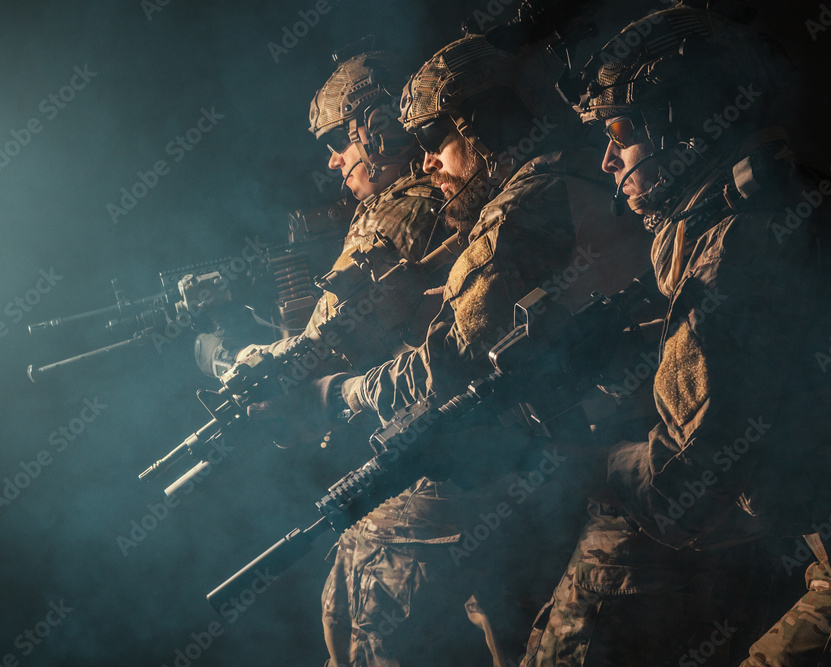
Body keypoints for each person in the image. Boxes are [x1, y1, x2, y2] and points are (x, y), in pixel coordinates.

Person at [533, 3, 831, 665]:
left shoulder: (737, 245)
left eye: (621, 130)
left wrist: (580, 463)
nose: (607, 159)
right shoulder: (777, 200)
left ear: (683, 120)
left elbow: (686, 490)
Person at [277, 35, 649, 666]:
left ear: (488, 129)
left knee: (367, 613)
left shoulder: (520, 206)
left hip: (621, 473)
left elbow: (449, 364)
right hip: (602, 464)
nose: (424, 162)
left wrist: (336, 393)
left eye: (432, 141)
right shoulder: (567, 174)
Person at [193, 49, 442, 379]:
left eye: (341, 142)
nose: (334, 161)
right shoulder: (419, 193)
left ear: (383, 127)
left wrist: (230, 354)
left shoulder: (399, 214)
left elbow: (315, 351)